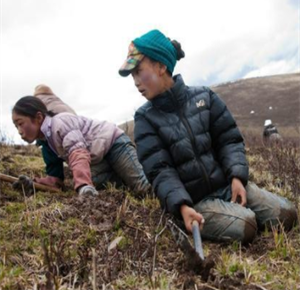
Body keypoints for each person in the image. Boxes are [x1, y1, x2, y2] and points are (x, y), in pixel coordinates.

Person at [118, 29, 297, 244]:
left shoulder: (205, 97)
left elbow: (228, 139)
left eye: (139, 71)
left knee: (287, 215)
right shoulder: (145, 119)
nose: (136, 81)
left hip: (228, 185)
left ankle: (238, 207)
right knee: (246, 225)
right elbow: (159, 171)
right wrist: (182, 206)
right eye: (133, 75)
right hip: (195, 202)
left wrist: (237, 177)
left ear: (161, 66)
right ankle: (207, 218)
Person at [12, 96, 151, 197]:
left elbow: (78, 153)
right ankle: (123, 176)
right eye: (15, 126)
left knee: (142, 188)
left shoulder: (60, 124)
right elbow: (56, 180)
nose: (19, 130)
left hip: (114, 144)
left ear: (38, 118)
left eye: (20, 123)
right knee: (92, 180)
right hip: (99, 159)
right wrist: (33, 184)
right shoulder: (46, 144)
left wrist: (84, 185)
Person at [34, 84, 77, 188]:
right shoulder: (59, 101)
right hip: (75, 132)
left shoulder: (38, 102)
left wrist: (38, 141)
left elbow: (39, 124)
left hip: (56, 131)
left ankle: (55, 177)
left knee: (46, 145)